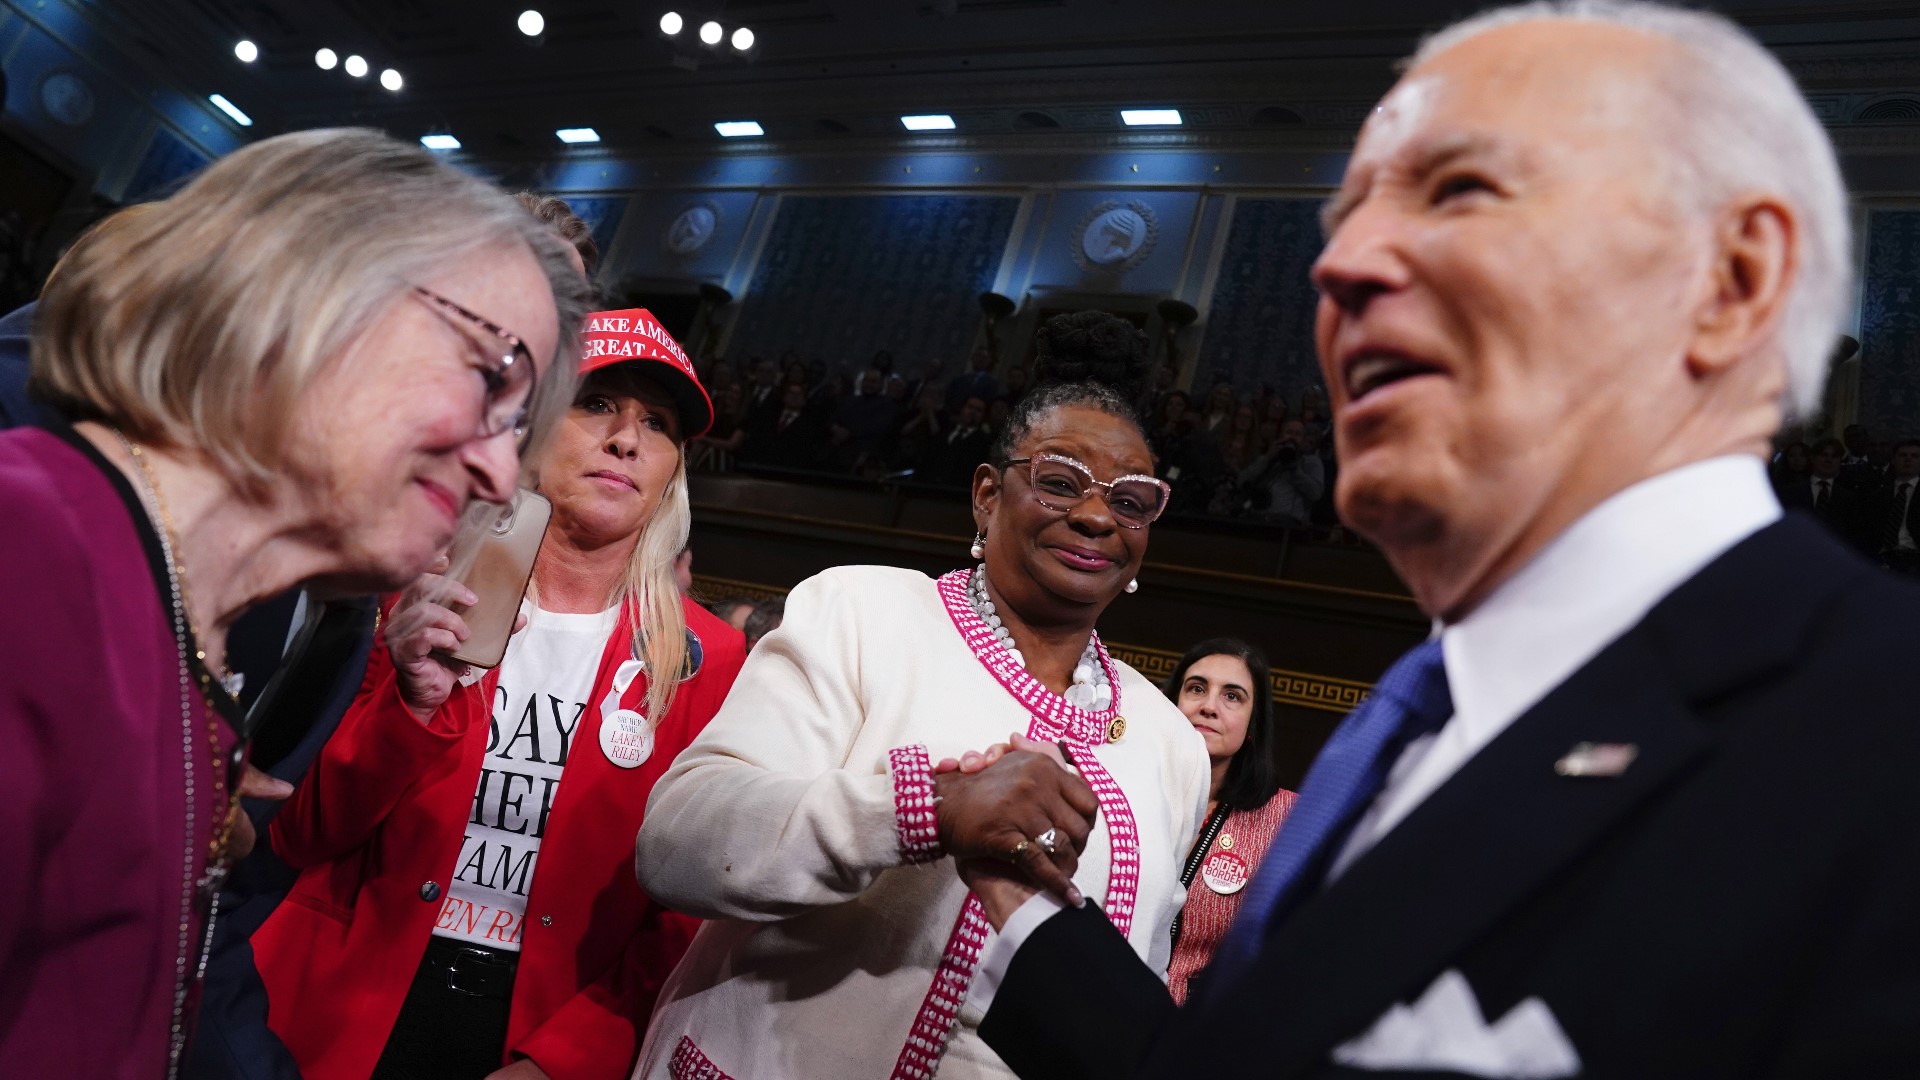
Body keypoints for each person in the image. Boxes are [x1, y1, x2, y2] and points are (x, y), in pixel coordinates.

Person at [964, 4, 1920, 1077]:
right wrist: (1024, 910)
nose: (1341, 266)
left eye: (1460, 190)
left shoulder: (1886, 723)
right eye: (1348, 217)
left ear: (1729, 283)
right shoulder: (1403, 730)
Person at [0, 127, 588, 1080]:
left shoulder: (171, 631)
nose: (499, 468)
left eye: (522, 424)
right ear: (308, 298)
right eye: (489, 377)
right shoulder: (28, 554)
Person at [627, 311, 1207, 1080]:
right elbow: (680, 842)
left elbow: (1131, 991)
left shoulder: (1171, 744)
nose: (1097, 516)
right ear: (987, 495)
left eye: (1130, 501)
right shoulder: (863, 612)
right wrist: (924, 809)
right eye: (1060, 482)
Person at [251, 311, 746, 1080]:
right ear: (530, 429)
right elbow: (301, 834)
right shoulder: (416, 593)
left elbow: (690, 905)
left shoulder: (706, 658)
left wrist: (564, 1060)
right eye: (597, 405)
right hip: (340, 1013)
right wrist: (411, 708)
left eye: (657, 424)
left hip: (538, 1029)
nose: (627, 439)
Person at [1159, 639, 1296, 1005]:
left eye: (1232, 696)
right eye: (1196, 688)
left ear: (1252, 725)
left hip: (1199, 1025)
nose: (1208, 706)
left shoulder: (1288, 820)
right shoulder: (1124, 788)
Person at [1238, 417, 1325, 526]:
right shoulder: (1269, 458)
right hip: (1258, 519)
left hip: (1288, 524)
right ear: (1280, 436)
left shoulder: (1310, 461)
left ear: (1303, 440)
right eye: (1289, 432)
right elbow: (1241, 481)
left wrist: (1294, 470)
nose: (1292, 437)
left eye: (1297, 434)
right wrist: (1267, 458)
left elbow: (1316, 494)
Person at [1870, 437, 1920, 575]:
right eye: (1903, 455)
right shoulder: (1878, 496)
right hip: (1882, 560)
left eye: (1915, 456)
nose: (1908, 459)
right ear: (1893, 460)